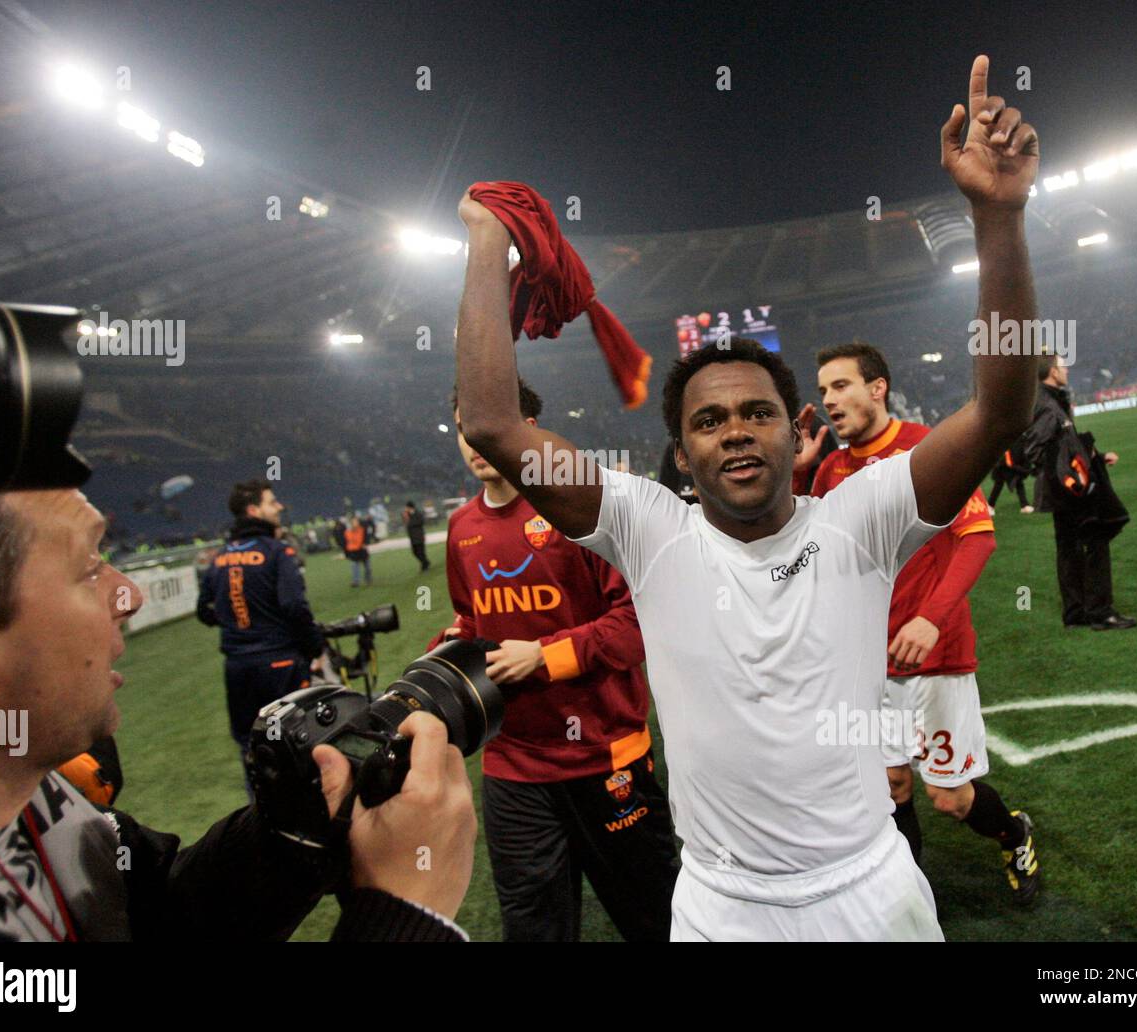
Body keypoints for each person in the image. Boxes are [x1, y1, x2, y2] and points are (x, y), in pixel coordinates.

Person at [452, 54, 1040, 940]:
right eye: (709, 420)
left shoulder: (862, 517)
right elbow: (495, 424)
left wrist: (998, 220)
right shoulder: (650, 533)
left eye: (756, 412)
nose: (734, 430)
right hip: (722, 910)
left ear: (794, 425)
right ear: (681, 454)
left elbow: (1002, 408)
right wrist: (488, 241)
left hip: (872, 893)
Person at [0, 483, 475, 941]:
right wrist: (404, 917)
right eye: (89, 568)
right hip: (278, 658)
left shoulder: (37, 794)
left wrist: (290, 830)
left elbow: (159, 910)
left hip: (238, 663)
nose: (130, 595)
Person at [428, 378, 679, 941]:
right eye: (466, 428)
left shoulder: (583, 510)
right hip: (512, 764)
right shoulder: (461, 527)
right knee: (533, 927)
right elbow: (472, 621)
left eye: (490, 425)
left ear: (528, 434)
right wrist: (448, 652)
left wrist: (543, 655)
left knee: (654, 917)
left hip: (604, 755)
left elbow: (636, 624)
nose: (475, 440)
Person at [795, 340, 1040, 905]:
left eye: (841, 385)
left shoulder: (925, 450)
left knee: (950, 797)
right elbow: (795, 554)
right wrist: (799, 474)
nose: (829, 400)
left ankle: (1014, 832)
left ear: (877, 388)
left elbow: (977, 537)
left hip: (935, 653)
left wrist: (931, 618)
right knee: (892, 784)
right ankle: (905, 893)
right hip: (864, 660)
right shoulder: (830, 469)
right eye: (824, 389)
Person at [196, 478, 326, 789]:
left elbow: (204, 610)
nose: (279, 507)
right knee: (296, 740)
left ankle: (263, 819)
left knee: (251, 745)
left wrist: (237, 623)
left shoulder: (220, 558)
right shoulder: (277, 551)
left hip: (238, 667)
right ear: (254, 510)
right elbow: (294, 606)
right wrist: (315, 647)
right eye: (272, 502)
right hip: (280, 661)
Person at [1021, 356, 1136, 630]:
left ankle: (1075, 613)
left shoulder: (1052, 400)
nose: (1067, 369)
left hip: (1063, 486)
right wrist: (1067, 475)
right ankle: (1100, 611)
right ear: (1051, 371)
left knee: (1069, 547)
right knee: (1096, 538)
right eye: (1062, 365)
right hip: (1067, 489)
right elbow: (1036, 450)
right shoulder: (1045, 404)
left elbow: (1065, 443)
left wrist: (1095, 456)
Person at [986, 438, 1032, 514]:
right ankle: (990, 506)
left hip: (1012, 460)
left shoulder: (1020, 440)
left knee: (1018, 483)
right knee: (998, 484)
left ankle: (1024, 505)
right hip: (1002, 464)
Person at [344, 515, 372, 588]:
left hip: (362, 549)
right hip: (354, 551)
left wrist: (365, 543)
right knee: (354, 567)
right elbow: (348, 541)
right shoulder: (348, 531)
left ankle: (368, 579)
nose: (355, 523)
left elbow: (366, 536)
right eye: (353, 522)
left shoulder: (362, 529)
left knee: (367, 566)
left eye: (356, 521)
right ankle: (355, 581)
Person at [403, 500, 430, 571]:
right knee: (415, 552)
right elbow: (406, 523)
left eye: (407, 507)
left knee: (421, 552)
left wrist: (410, 523)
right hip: (412, 537)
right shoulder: (407, 515)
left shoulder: (418, 513)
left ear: (410, 507)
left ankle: (425, 565)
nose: (406, 509)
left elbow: (421, 522)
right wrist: (406, 518)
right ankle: (425, 562)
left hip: (419, 536)